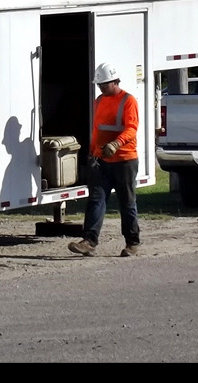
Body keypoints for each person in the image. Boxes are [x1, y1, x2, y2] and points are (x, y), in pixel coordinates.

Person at [68, 62, 141, 257]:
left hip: (125, 161)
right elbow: (97, 130)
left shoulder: (128, 101)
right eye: (99, 85)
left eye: (104, 84)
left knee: (127, 203)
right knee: (96, 200)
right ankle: (89, 241)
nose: (101, 88)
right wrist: (92, 153)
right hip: (101, 161)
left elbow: (131, 128)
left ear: (115, 81)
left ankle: (132, 243)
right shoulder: (99, 101)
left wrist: (116, 144)